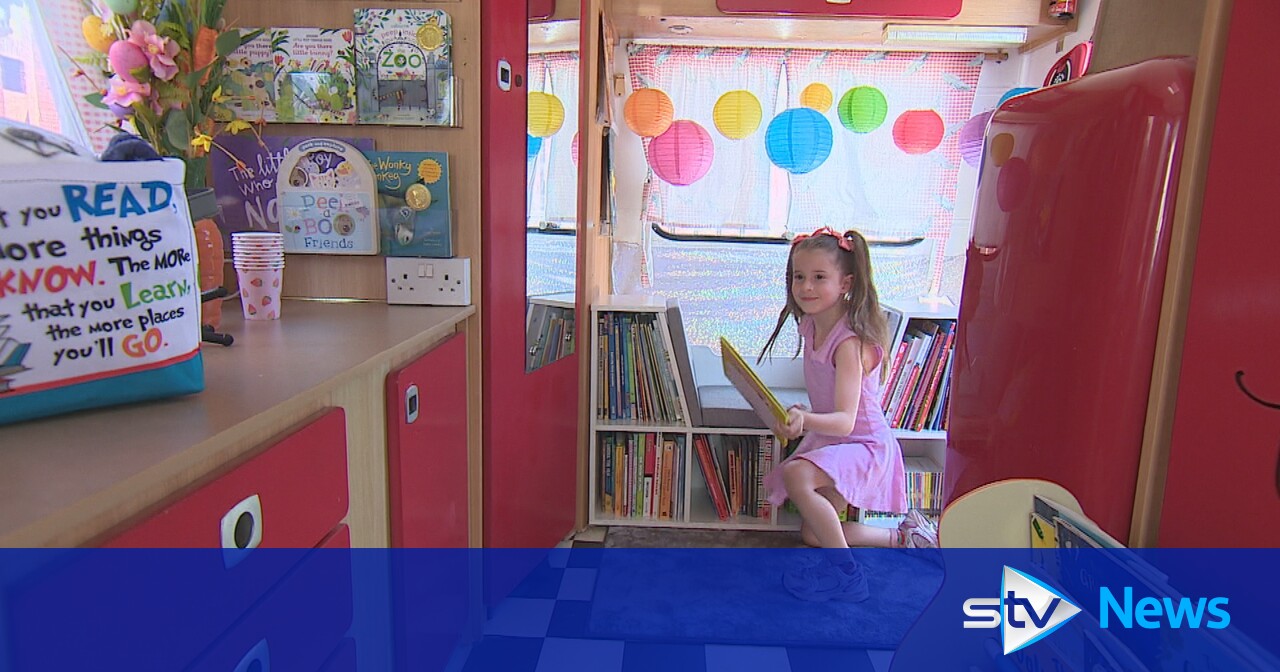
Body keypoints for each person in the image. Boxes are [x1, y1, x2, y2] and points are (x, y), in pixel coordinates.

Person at [759, 226, 938, 602]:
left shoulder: (848, 344)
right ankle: (902, 538)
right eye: (799, 277)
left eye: (819, 277)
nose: (806, 287)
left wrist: (806, 420)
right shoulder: (810, 326)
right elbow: (829, 407)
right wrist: (804, 413)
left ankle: (849, 576)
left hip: (865, 444)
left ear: (846, 283)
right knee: (814, 534)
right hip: (839, 439)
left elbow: (845, 419)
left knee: (796, 474)